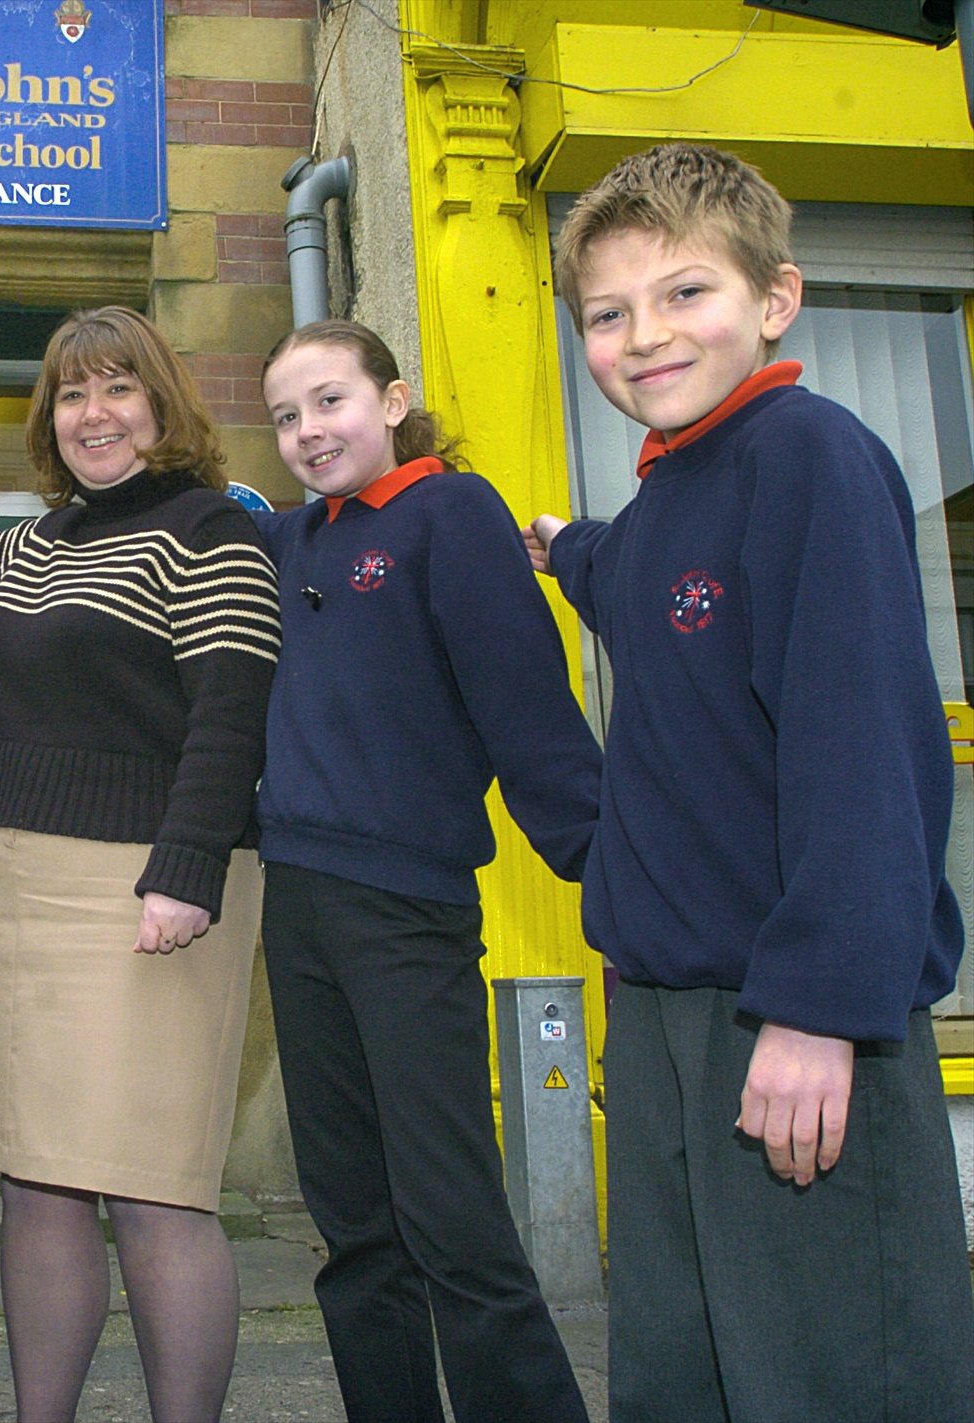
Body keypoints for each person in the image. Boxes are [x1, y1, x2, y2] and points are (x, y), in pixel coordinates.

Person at [524, 141, 974, 1421]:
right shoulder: (664, 495)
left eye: (684, 293)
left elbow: (859, 747)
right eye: (605, 314)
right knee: (679, 1373)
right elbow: (632, 575)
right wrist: (561, 548)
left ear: (773, 300)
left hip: (788, 1019)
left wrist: (817, 1009)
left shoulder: (808, 457)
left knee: (825, 1373)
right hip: (663, 1024)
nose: (643, 336)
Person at [0, 307, 279, 1423]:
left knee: (152, 1187)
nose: (92, 413)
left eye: (116, 388)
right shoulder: (42, 542)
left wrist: (185, 870)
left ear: (161, 402)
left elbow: (230, 716)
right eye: (70, 393)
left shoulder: (211, 534)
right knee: (34, 1178)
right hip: (18, 873)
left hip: (146, 887)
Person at [253, 319, 600, 1423]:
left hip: (407, 909)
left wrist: (610, 870)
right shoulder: (286, 541)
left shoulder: (451, 512)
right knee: (352, 1221)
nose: (308, 431)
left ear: (392, 400)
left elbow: (525, 704)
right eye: (285, 416)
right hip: (295, 900)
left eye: (330, 401)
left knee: (451, 1216)